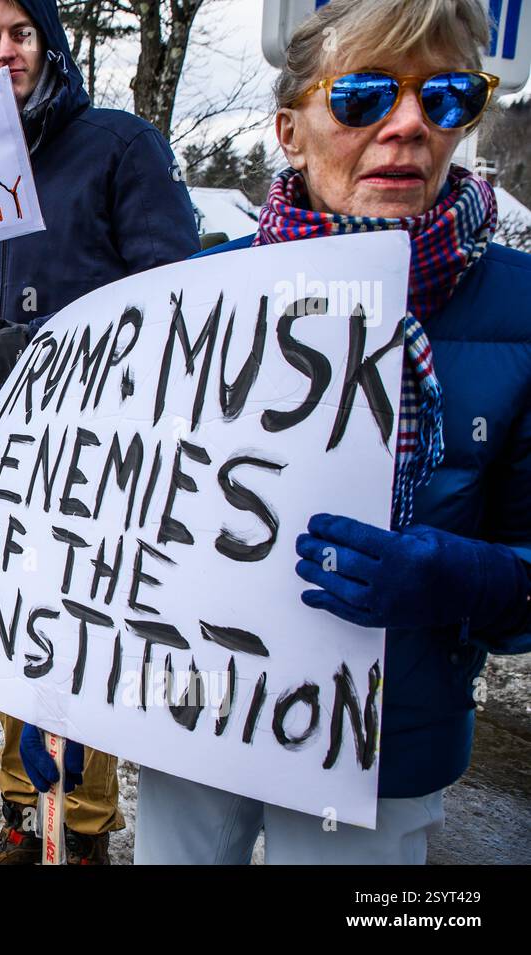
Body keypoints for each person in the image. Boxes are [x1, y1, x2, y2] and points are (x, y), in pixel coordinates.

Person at [133, 0, 531, 864]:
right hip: (190, 719)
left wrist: (457, 577)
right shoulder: (196, 294)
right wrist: (64, 693)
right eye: (362, 98)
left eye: (447, 97)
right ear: (290, 129)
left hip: (382, 757)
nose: (408, 127)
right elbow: (125, 517)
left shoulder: (523, 309)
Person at [0, 0, 201, 865]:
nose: (5, 51)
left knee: (77, 640)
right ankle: (26, 818)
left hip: (97, 448)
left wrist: (42, 342)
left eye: (21, 32)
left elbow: (173, 293)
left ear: (49, 43)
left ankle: (83, 833)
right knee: (16, 638)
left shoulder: (119, 145)